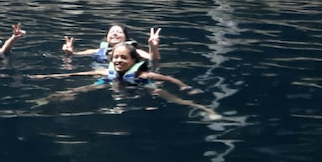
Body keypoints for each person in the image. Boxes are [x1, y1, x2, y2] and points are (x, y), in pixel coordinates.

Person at [32, 43, 217, 117]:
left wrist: (185, 87)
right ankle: (46, 99)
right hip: (112, 83)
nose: (118, 60)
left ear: (133, 61)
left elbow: (168, 78)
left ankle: (203, 109)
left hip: (142, 86)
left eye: (123, 58)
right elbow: (80, 74)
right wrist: (49, 76)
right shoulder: (107, 71)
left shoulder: (143, 75)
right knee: (76, 90)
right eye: (116, 57)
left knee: (168, 96)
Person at [63, 24, 161, 63]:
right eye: (112, 32)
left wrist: (153, 47)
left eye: (118, 32)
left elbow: (154, 59)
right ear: (107, 38)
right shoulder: (99, 50)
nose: (114, 34)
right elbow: (76, 55)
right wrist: (70, 52)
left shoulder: (134, 51)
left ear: (125, 38)